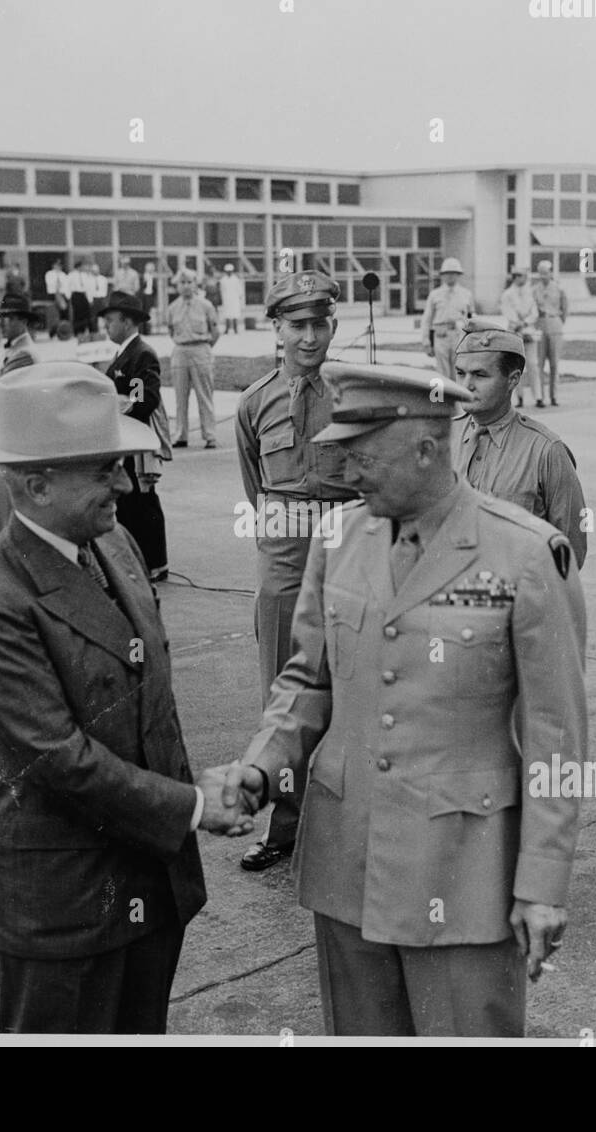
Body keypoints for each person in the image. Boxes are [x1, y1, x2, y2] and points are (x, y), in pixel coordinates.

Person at [220, 361, 587, 1036]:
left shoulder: (526, 555)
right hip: (345, 860)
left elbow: (556, 739)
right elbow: (307, 681)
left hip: (463, 872)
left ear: (425, 448)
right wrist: (260, 766)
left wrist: (541, 884)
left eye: (362, 457)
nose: (347, 474)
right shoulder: (340, 539)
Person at [0, 362, 249, 1033]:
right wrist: (197, 806)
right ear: (35, 483)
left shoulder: (115, 541)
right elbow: (61, 760)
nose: (124, 480)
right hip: (63, 905)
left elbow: (153, 708)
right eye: (103, 468)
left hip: (150, 884)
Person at [234, 271, 358, 871]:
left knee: (357, 684)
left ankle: (351, 818)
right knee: (283, 693)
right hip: (284, 551)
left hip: (347, 548)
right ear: (277, 329)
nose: (310, 337)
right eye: (298, 325)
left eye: (321, 323)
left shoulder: (356, 394)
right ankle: (286, 826)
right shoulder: (254, 402)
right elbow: (255, 486)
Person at [452, 321, 588, 567]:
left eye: (480, 375)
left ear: (513, 379)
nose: (466, 385)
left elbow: (570, 549)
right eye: (460, 373)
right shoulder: (442, 439)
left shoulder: (546, 450)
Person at [102, 290, 170, 580]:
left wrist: (118, 408)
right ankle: (144, 560)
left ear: (128, 322)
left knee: (142, 502)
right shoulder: (124, 353)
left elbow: (145, 399)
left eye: (111, 320)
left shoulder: (141, 354)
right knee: (131, 504)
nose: (106, 326)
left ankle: (155, 562)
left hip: (136, 440)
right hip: (126, 439)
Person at [0, 293, 42, 537]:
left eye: (7, 318)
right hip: (10, 434)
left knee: (7, 506)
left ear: (21, 321)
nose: (1, 324)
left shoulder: (24, 354)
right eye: (1, 318)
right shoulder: (17, 350)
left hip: (12, 438)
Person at [166, 268, 221, 449]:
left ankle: (210, 434)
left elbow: (215, 331)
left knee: (204, 395)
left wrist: (204, 348)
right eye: (182, 283)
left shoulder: (206, 305)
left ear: (195, 284)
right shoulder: (172, 308)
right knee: (180, 397)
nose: (186, 286)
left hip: (200, 350)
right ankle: (181, 434)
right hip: (180, 351)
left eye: (189, 282)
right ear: (177, 286)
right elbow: (171, 331)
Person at [420, 257, 474, 380]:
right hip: (441, 336)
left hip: (458, 336)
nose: (450, 277)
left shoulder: (466, 294)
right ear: (442, 276)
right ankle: (440, 399)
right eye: (447, 274)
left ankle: (457, 399)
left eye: (453, 273)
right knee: (441, 372)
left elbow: (472, 318)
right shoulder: (435, 294)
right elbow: (427, 319)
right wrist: (426, 341)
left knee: (459, 371)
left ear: (459, 275)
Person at [499, 269, 543, 409]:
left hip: (529, 330)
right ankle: (520, 397)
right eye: (519, 276)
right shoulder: (507, 294)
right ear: (514, 277)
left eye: (524, 276)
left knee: (533, 364)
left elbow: (534, 312)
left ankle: (538, 397)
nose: (522, 279)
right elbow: (507, 311)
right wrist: (516, 323)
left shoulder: (530, 293)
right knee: (516, 367)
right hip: (514, 331)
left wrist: (525, 323)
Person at [532, 260, 569, 405]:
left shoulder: (559, 288)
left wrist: (559, 321)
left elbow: (565, 308)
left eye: (545, 273)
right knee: (539, 363)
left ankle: (554, 396)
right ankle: (540, 397)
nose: (543, 276)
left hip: (554, 322)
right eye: (540, 273)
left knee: (554, 362)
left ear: (551, 273)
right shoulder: (534, 290)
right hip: (540, 323)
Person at [65, 258, 95, 339]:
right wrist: (69, 297)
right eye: (82, 266)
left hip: (83, 295)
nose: (83, 268)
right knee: (77, 314)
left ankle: (90, 331)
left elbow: (88, 288)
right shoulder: (71, 275)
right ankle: (77, 332)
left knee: (87, 313)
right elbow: (67, 286)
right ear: (78, 266)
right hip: (75, 294)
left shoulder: (85, 275)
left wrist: (90, 299)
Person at [219, 263, 245, 334]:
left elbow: (239, 290)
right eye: (227, 271)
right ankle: (227, 329)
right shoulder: (223, 280)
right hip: (226, 299)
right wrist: (222, 298)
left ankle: (235, 328)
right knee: (227, 314)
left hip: (234, 299)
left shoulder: (236, 279)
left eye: (230, 271)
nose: (229, 272)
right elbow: (222, 290)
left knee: (235, 314)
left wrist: (240, 297)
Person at [45, 258, 69, 326]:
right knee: (53, 313)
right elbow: (50, 284)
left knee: (63, 313)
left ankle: (63, 327)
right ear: (53, 265)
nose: (58, 266)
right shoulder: (49, 274)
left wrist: (66, 296)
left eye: (60, 265)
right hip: (53, 294)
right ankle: (53, 329)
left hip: (62, 295)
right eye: (57, 265)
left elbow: (66, 285)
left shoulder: (63, 275)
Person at [140, 261, 160, 332]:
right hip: (143, 296)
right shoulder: (143, 276)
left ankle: (147, 330)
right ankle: (142, 330)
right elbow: (140, 287)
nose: (151, 270)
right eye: (149, 268)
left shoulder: (154, 277)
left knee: (148, 312)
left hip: (150, 296)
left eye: (152, 269)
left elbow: (155, 289)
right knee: (143, 312)